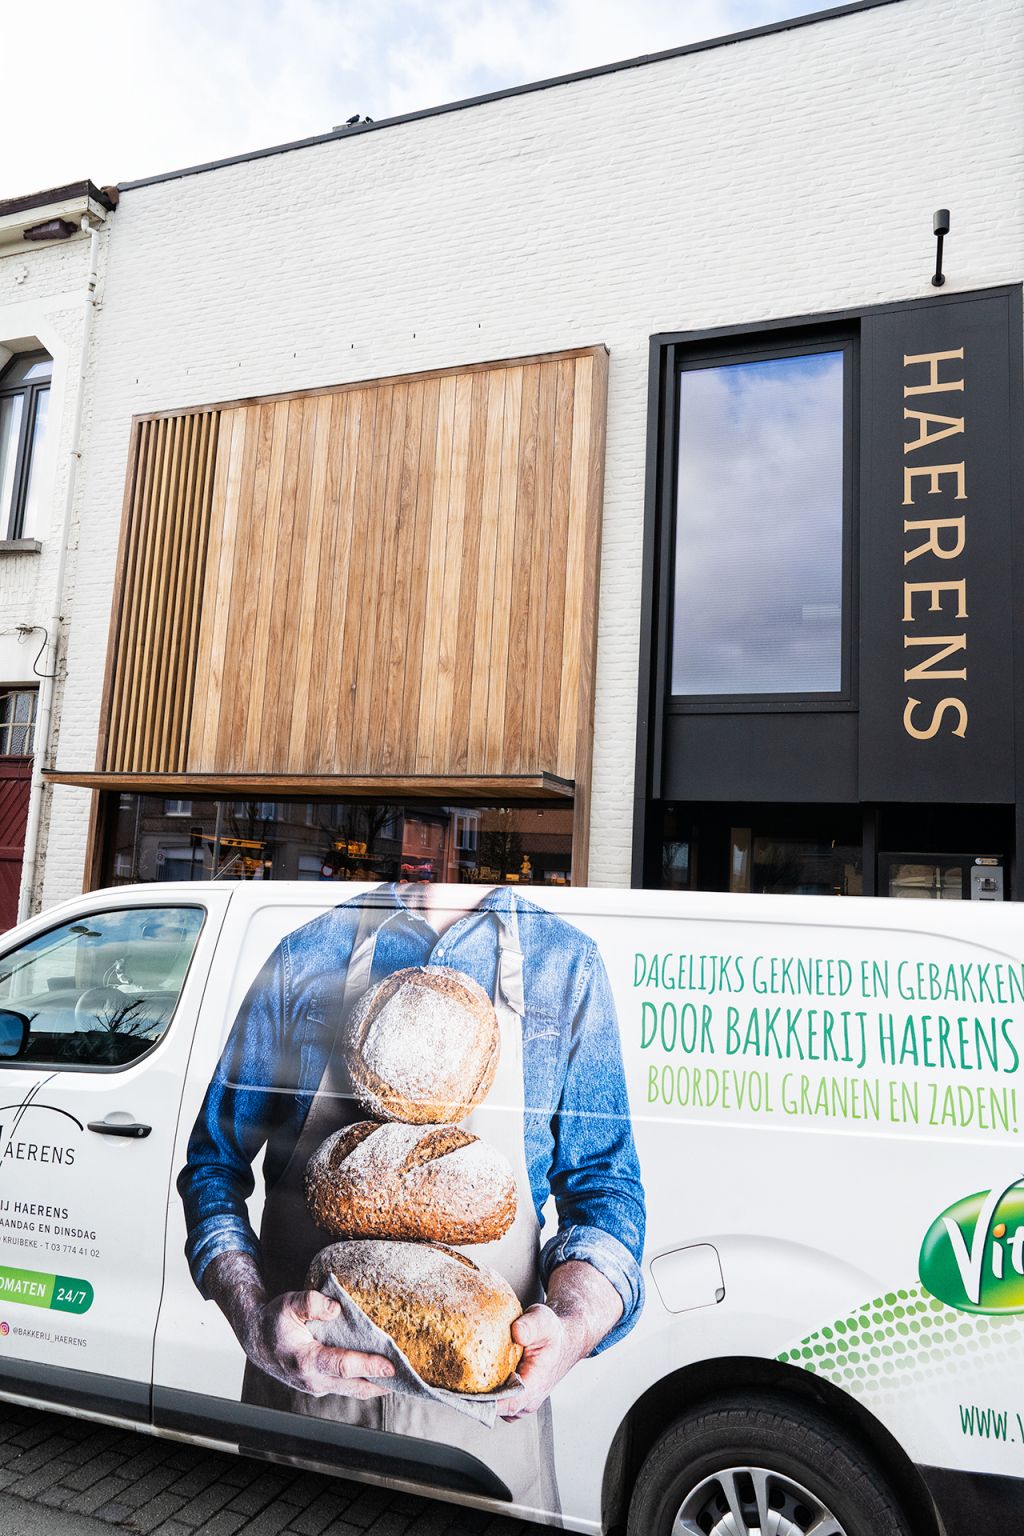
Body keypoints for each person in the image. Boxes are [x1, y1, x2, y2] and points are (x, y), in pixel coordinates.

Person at [177, 881, 645, 1516]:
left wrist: (573, 1325)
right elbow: (214, 1164)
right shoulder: (305, 955)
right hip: (307, 1410)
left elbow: (604, 1188)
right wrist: (253, 1318)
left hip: (484, 1429)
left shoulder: (565, 965)